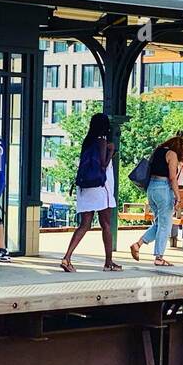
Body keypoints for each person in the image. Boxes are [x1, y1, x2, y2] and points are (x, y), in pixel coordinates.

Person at [61, 111, 122, 273]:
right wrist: (111, 152)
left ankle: (67, 258)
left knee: (84, 224)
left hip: (85, 187)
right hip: (101, 188)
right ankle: (108, 262)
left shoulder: (87, 141)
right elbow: (103, 164)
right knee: (106, 224)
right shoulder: (102, 141)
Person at [130, 131, 183, 266]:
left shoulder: (157, 151)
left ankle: (138, 244)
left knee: (158, 224)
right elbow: (172, 178)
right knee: (165, 226)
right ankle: (159, 257)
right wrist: (178, 197)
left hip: (151, 189)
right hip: (163, 189)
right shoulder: (172, 154)